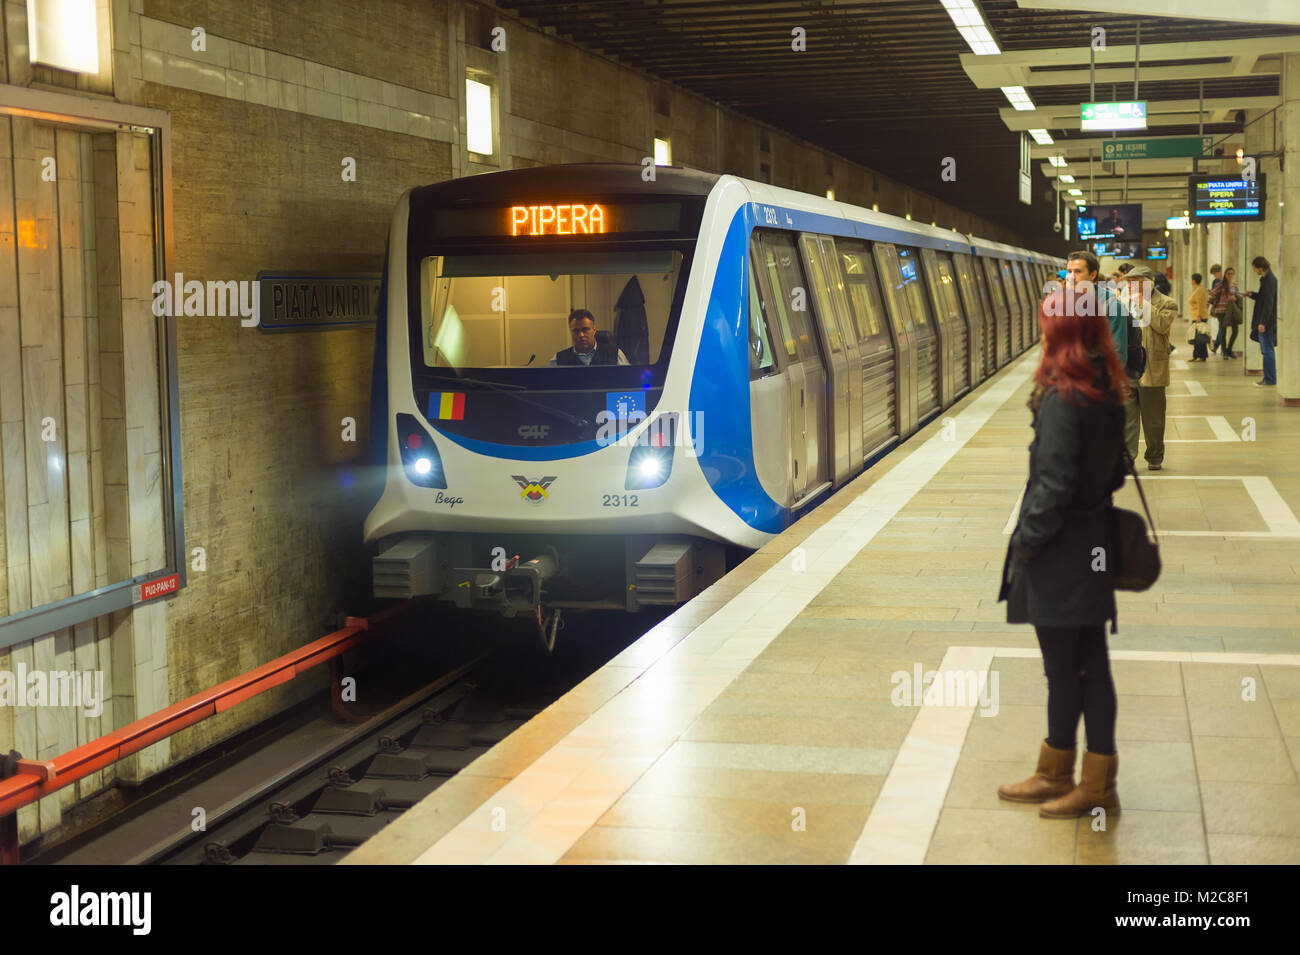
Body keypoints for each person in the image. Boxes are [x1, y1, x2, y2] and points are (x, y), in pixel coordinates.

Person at [997, 285, 1128, 818]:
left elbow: (1050, 487)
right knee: (1090, 665)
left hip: (1060, 554)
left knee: (1066, 669)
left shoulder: (1062, 398)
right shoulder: (1106, 389)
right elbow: (1115, 472)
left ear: (1058, 334)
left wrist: (1026, 545)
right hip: (1093, 544)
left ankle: (1066, 776)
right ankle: (1077, 775)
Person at [1125, 265, 1178, 470]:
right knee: (1127, 416)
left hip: (1151, 368)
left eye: (1137, 281)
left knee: (1153, 418)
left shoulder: (1167, 303)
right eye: (1130, 282)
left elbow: (1162, 325)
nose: (1132, 286)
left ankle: (1155, 455)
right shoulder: (1121, 303)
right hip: (1128, 367)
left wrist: (1142, 303)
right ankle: (1127, 458)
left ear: (1150, 283)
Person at [550, 308, 629, 366]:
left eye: (585, 330)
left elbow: (629, 382)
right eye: (576, 331)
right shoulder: (558, 360)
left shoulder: (615, 355)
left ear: (594, 330)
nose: (581, 335)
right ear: (570, 332)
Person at [1244, 255, 1278, 386]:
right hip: (1266, 320)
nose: (1254, 271)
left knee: (1267, 350)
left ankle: (1269, 379)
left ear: (1260, 268)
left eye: (1255, 268)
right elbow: (1263, 298)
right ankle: (1268, 378)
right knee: (1266, 350)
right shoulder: (1266, 279)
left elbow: (1269, 303)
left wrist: (1263, 322)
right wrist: (1252, 294)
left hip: (1267, 322)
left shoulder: (1269, 280)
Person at [1210, 266, 1243, 360]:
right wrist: (1208, 302)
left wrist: (1235, 298)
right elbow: (1213, 294)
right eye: (1228, 273)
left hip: (1232, 310)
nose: (1230, 275)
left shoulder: (1235, 286)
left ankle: (1229, 349)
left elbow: (1238, 298)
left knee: (1235, 330)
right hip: (1221, 310)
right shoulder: (1220, 284)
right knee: (1223, 331)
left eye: (1232, 273)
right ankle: (1224, 352)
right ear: (1225, 274)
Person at [1188, 273, 1210, 361]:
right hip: (1197, 316)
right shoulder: (1197, 289)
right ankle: (1199, 356)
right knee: (1198, 337)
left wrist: (1198, 316)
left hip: (1199, 317)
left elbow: (1200, 304)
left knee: (1198, 338)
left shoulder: (1199, 291)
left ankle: (1198, 356)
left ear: (1193, 281)